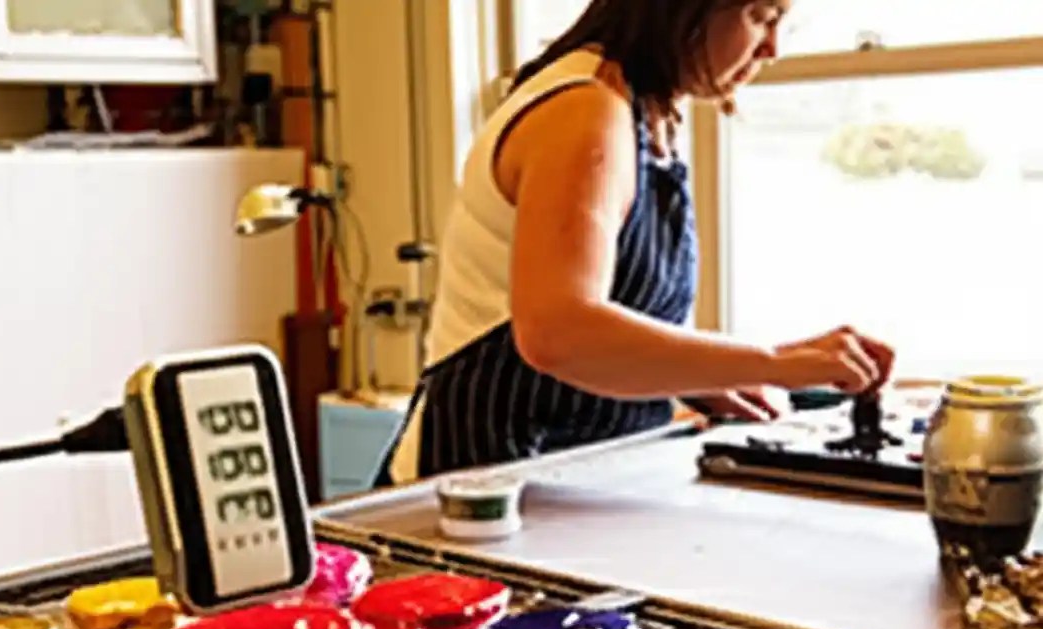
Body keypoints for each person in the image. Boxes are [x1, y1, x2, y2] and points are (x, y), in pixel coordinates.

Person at [376, 0, 895, 486]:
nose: (772, 48)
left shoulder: (643, 108)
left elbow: (610, 318)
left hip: (577, 471)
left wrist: (702, 376)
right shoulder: (583, 111)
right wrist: (773, 360)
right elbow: (559, 333)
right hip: (489, 477)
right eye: (760, 15)